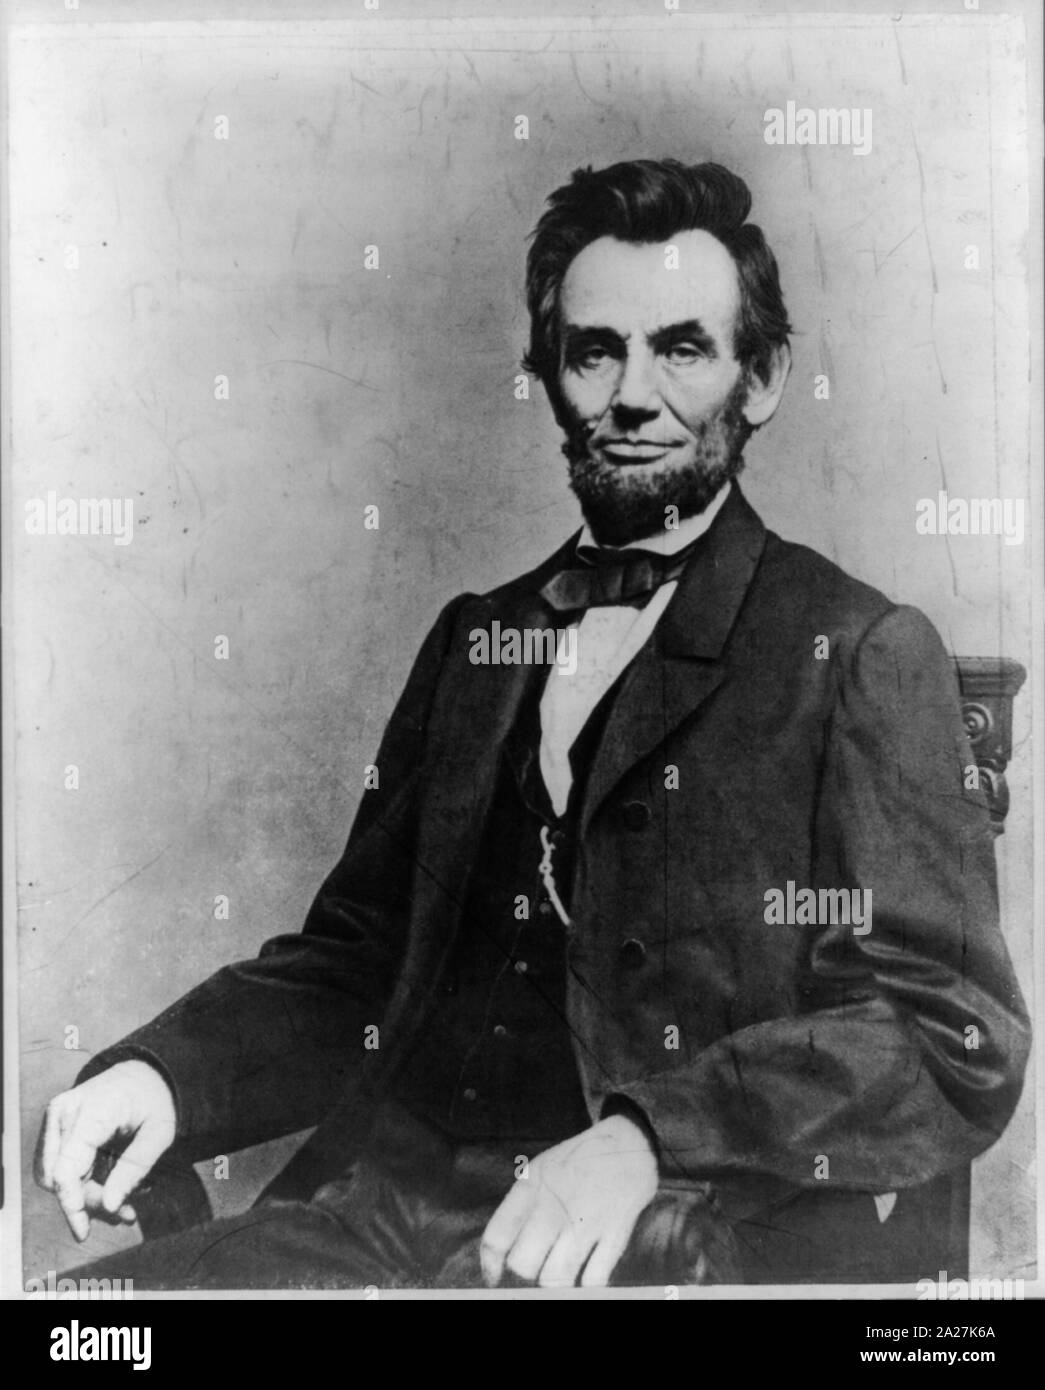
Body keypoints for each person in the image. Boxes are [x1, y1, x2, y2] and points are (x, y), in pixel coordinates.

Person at [37, 159, 1030, 1289]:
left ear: (760, 379)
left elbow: (949, 1034)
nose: (632, 395)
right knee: (87, 1328)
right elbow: (359, 966)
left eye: (683, 348)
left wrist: (648, 1137)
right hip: (379, 1208)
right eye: (593, 350)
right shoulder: (477, 640)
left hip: (653, 1241)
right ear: (549, 377)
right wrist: (167, 1075)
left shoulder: (856, 652)